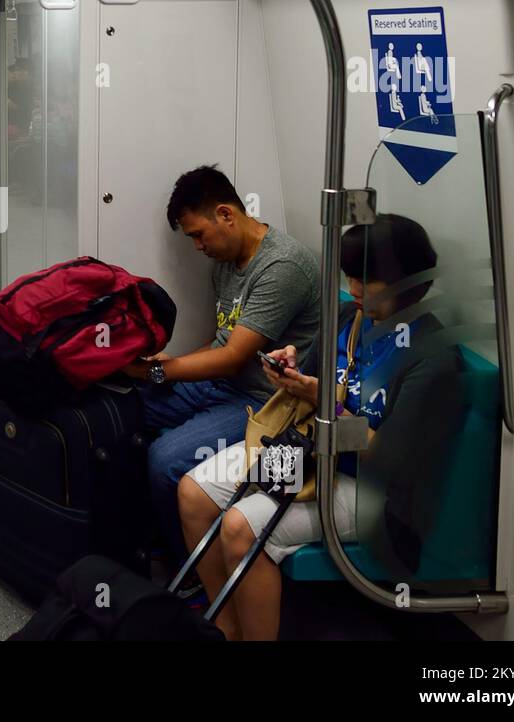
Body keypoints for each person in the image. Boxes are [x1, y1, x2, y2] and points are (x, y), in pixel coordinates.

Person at [178, 214, 451, 640]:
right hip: (311, 450)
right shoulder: (349, 316)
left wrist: (322, 402)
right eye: (349, 277)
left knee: (240, 526)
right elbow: (314, 381)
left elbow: (390, 458)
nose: (355, 289)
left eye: (367, 281)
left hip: (375, 490)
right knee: (194, 493)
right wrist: (289, 366)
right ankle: (226, 629)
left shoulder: (432, 358)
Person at [123, 165, 321, 567]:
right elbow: (222, 343)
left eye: (198, 234)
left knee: (164, 459)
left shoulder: (282, 266)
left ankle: (194, 574)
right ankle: (151, 538)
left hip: (265, 401)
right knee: (125, 409)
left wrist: (160, 371)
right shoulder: (227, 263)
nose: (197, 246)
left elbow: (233, 359)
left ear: (227, 214)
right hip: (224, 385)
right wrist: (169, 363)